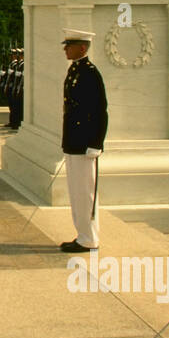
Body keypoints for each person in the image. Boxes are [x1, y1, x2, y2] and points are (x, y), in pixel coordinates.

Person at [58, 29, 108, 253]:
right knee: (76, 192)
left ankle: (90, 238)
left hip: (86, 143)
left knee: (86, 193)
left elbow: (100, 111)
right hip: (73, 141)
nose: (65, 49)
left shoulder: (90, 73)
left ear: (82, 48)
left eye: (69, 45)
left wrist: (96, 143)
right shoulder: (74, 71)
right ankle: (82, 235)